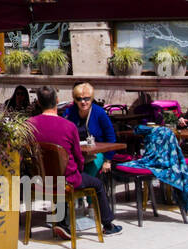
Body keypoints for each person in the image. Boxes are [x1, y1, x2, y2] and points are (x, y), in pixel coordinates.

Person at [29, 86, 121, 238]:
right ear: (57, 100)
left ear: (38, 102)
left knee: (59, 179)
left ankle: (62, 222)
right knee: (96, 184)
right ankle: (108, 225)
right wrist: (78, 169)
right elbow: (79, 158)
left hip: (39, 181)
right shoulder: (68, 126)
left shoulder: (29, 124)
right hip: (66, 180)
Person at [60, 82, 116, 172]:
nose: (83, 102)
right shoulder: (69, 113)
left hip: (97, 153)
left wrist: (108, 160)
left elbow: (111, 136)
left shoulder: (99, 112)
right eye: (79, 99)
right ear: (75, 99)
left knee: (86, 174)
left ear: (91, 98)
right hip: (75, 153)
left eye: (86, 98)